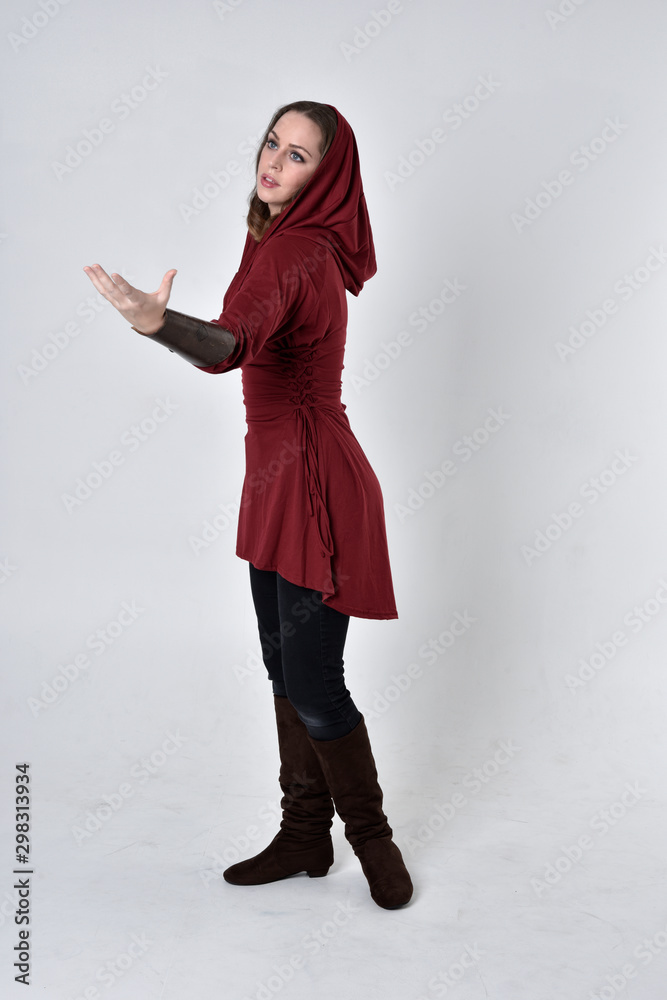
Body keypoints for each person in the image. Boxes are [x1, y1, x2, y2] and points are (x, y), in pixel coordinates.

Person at [83, 101, 413, 909]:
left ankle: (371, 841)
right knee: (284, 668)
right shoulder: (286, 242)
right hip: (281, 476)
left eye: (298, 155)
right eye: (273, 142)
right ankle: (304, 833)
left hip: (310, 485)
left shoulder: (295, 251)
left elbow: (231, 346)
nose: (273, 161)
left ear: (325, 176)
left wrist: (158, 325)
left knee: (312, 678)